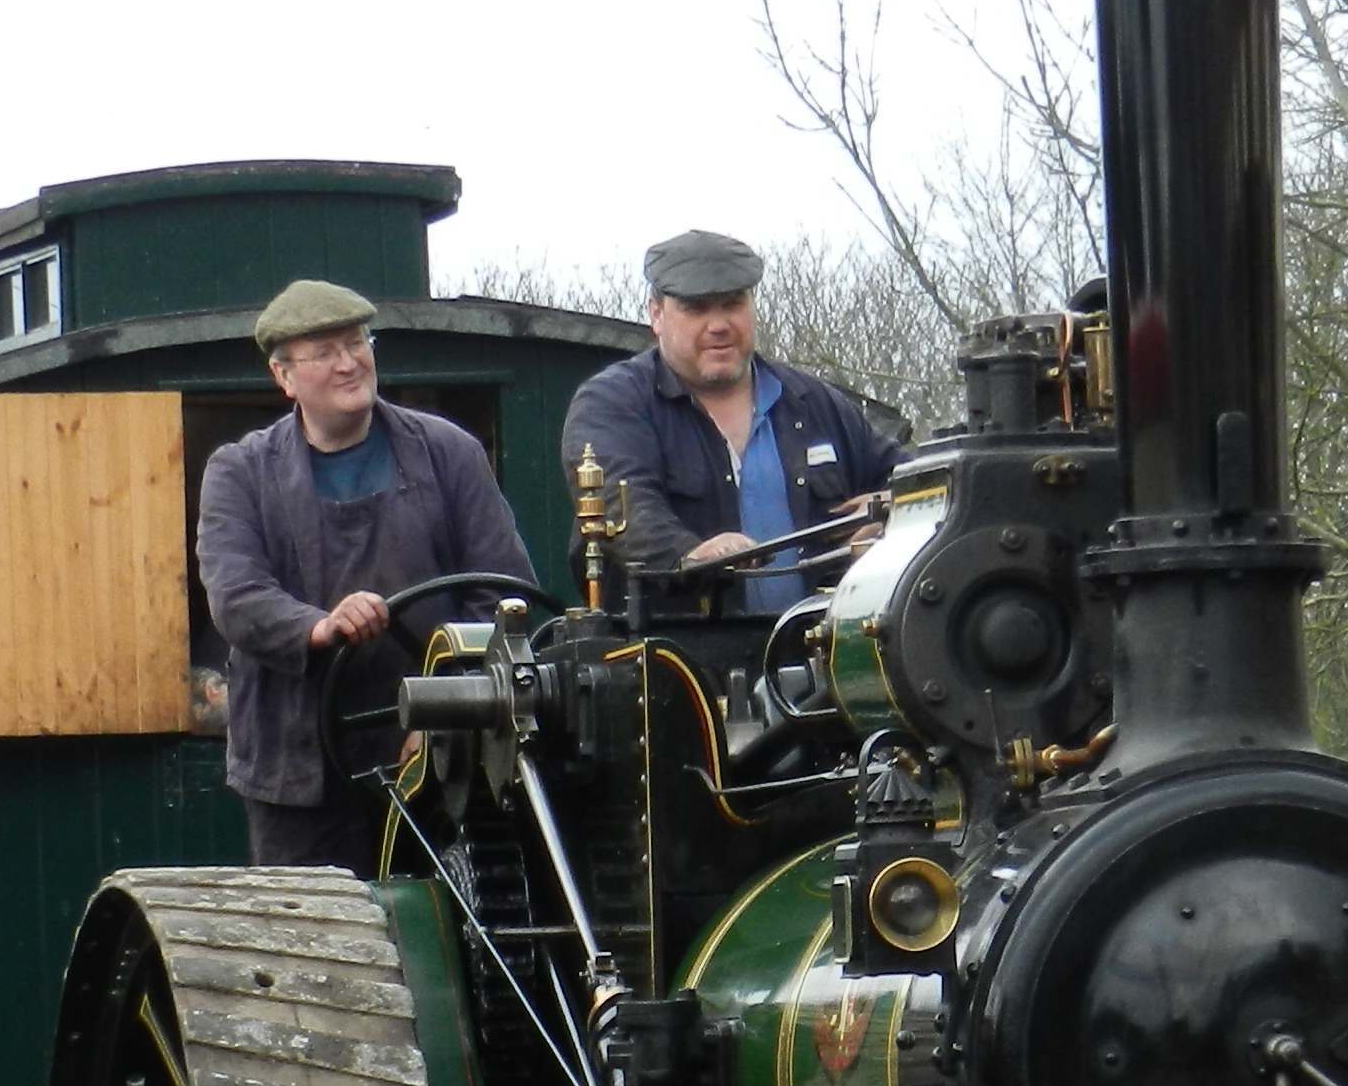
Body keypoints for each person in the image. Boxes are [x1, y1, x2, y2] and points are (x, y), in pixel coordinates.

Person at [195, 279, 540, 873]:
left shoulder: (447, 453)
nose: (350, 362)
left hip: (440, 768)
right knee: (311, 943)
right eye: (325, 351)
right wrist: (320, 625)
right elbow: (237, 596)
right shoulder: (240, 472)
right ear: (284, 378)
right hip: (296, 773)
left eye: (357, 342)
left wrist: (443, 718)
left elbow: (502, 592)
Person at [558, 230, 900, 608]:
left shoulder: (815, 403)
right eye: (696, 308)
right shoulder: (612, 404)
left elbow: (921, 479)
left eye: (732, 304)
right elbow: (623, 509)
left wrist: (893, 510)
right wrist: (691, 555)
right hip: (672, 656)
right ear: (656, 314)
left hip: (820, 651)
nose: (718, 324)